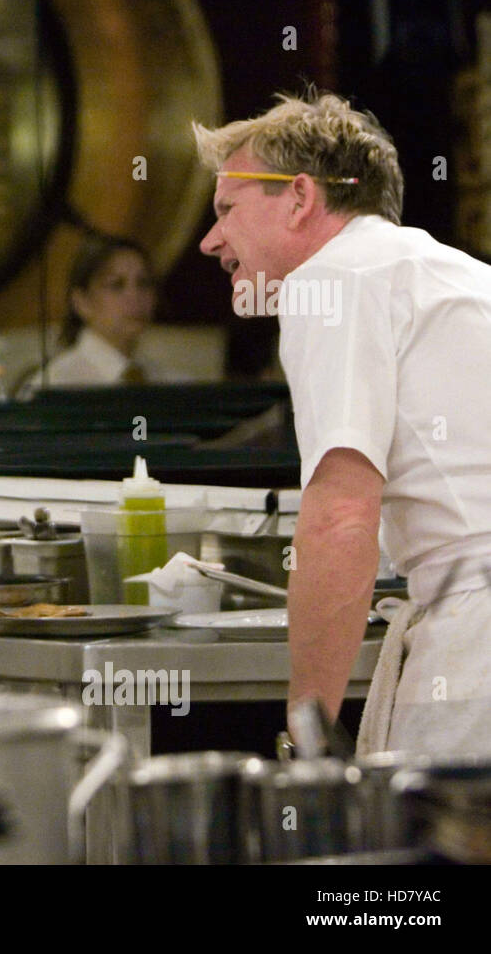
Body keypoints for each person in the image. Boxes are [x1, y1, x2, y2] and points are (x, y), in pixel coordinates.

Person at [194, 90, 491, 756]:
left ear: (298, 197)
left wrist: (307, 738)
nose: (211, 241)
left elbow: (340, 519)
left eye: (225, 209)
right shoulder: (452, 272)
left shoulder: (333, 280)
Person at [21, 233, 180, 394]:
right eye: (116, 285)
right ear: (81, 301)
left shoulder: (170, 384)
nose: (135, 297)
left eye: (144, 283)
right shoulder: (55, 387)